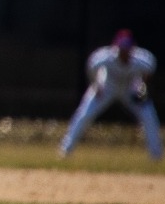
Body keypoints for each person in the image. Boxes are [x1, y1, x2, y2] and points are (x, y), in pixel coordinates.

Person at [59, 29, 159, 160]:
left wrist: (142, 87)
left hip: (130, 89)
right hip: (107, 87)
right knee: (84, 114)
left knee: (149, 116)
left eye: (127, 48)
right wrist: (96, 84)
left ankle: (156, 155)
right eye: (122, 48)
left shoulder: (141, 59)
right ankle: (66, 149)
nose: (124, 52)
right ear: (116, 46)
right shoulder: (105, 57)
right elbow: (91, 66)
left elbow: (150, 69)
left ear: (132, 48)